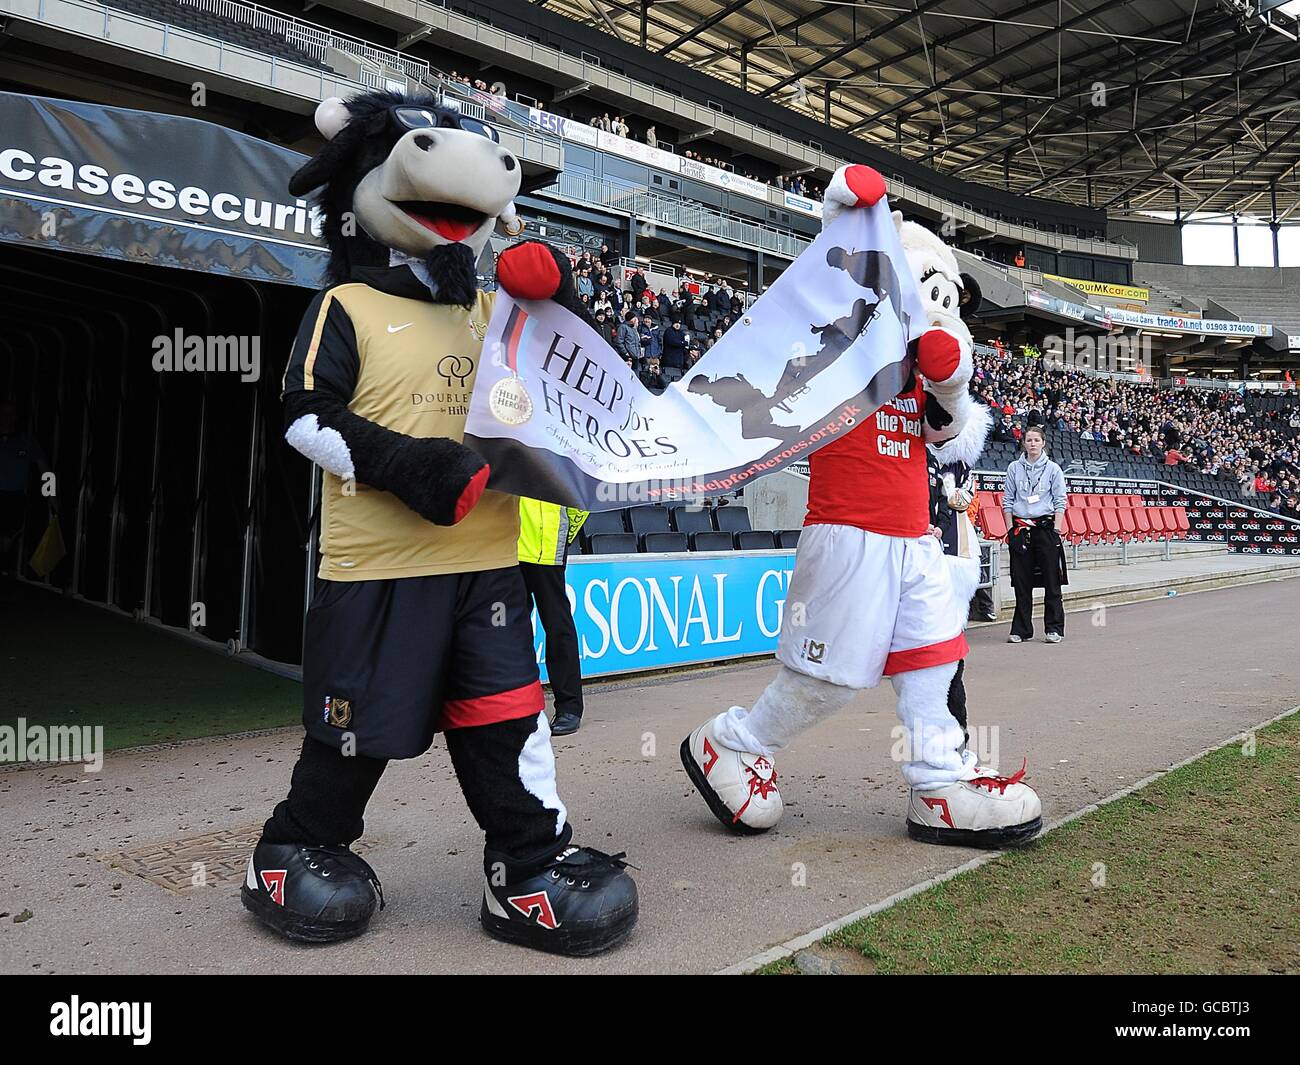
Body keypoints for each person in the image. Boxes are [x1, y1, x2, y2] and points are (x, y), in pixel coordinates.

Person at [518, 497, 587, 736]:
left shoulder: (560, 459)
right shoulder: (515, 458)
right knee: (512, 630)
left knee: (558, 627)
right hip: (508, 547)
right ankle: (518, 705)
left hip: (547, 549)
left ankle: (570, 707)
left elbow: (581, 496)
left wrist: (564, 533)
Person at [1003, 426, 1068, 644]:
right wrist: (1010, 531)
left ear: (1043, 443)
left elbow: (1060, 501)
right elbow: (1008, 501)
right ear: (1023, 443)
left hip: (1045, 529)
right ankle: (1021, 629)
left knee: (1052, 581)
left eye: (1036, 440)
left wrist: (1056, 529)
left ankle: (1054, 628)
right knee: (1021, 582)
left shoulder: (1053, 469)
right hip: (1021, 530)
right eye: (1028, 440)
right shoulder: (1014, 468)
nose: (1032, 443)